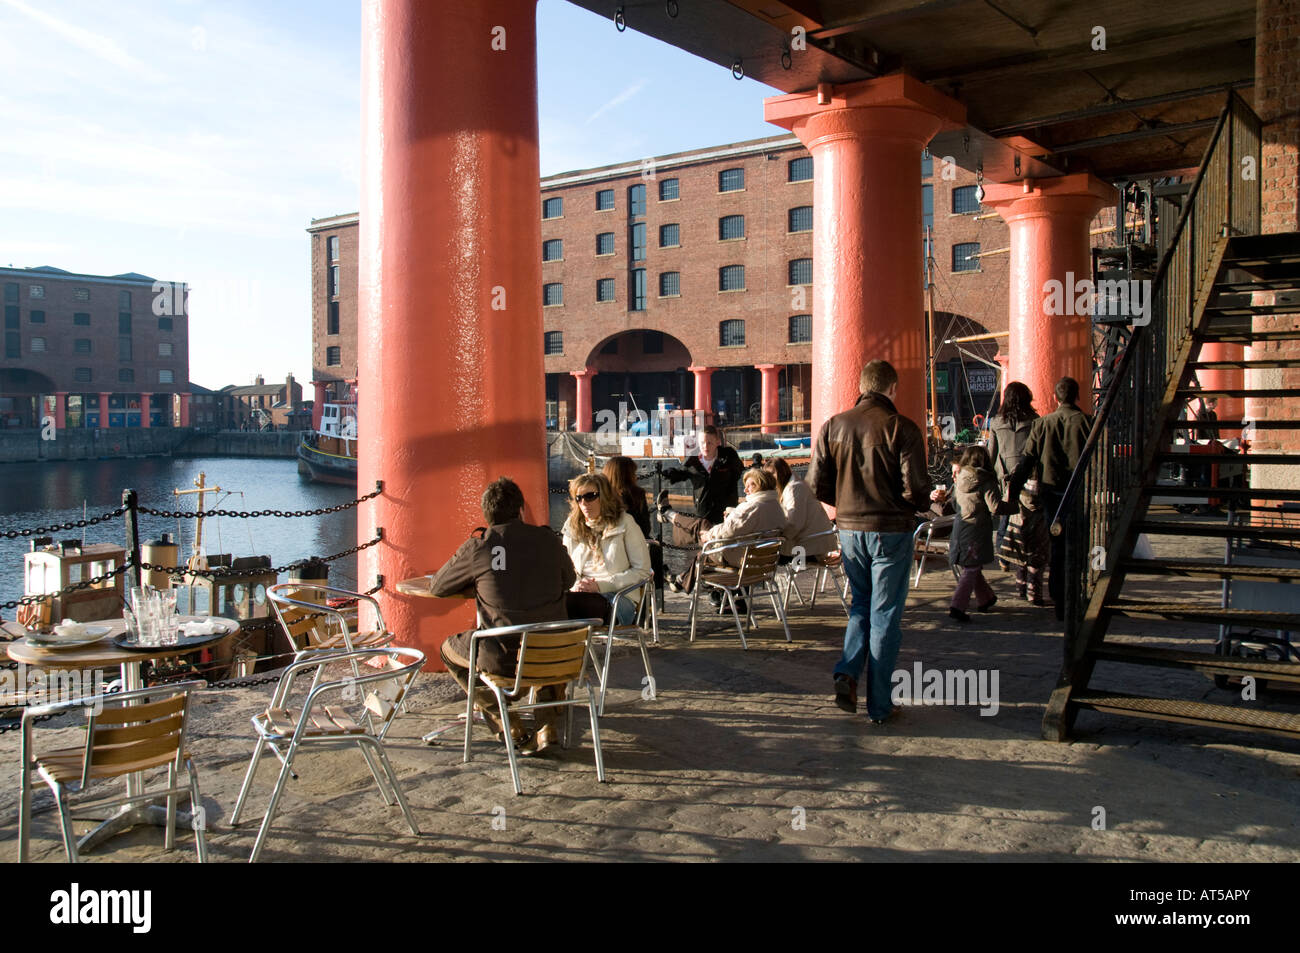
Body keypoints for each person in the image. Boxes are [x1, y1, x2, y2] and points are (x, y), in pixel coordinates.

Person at [808, 359, 932, 725]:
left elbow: (816, 484)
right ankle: (880, 705)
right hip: (891, 531)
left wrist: (846, 504)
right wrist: (918, 504)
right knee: (885, 616)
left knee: (861, 605)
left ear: (862, 387)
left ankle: (847, 672)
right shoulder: (902, 428)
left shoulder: (833, 425)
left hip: (848, 531)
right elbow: (916, 489)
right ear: (892, 388)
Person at [432, 477, 575, 753]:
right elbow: (569, 580)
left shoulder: (479, 547)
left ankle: (507, 722)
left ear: (486, 516)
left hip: (503, 660)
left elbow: (438, 586)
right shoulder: (548, 539)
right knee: (545, 639)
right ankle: (546, 726)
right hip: (558, 655)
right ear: (521, 510)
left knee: (448, 650)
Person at [1008, 376, 1093, 621]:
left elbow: (1027, 461)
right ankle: (1078, 594)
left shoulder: (1042, 424)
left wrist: (1013, 492)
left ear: (1056, 397)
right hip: (1079, 494)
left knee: (1057, 548)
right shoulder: (1089, 423)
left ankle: (1059, 599)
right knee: (1081, 546)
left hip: (1052, 496)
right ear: (1077, 396)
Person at [659, 466, 785, 594]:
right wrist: (733, 514)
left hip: (742, 561)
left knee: (701, 526)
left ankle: (667, 514)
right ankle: (681, 581)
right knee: (702, 554)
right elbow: (747, 525)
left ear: (762, 485)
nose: (746, 489)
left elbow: (729, 530)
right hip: (763, 564)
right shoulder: (776, 507)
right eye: (746, 485)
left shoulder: (753, 507)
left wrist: (709, 535)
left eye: (751, 485)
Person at [562, 473, 652, 626]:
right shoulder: (573, 526)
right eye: (579, 498)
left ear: (603, 497)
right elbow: (567, 568)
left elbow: (642, 571)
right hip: (580, 595)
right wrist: (577, 584)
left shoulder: (625, 522)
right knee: (552, 604)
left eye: (590, 496)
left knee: (576, 606)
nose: (584, 503)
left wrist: (600, 586)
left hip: (618, 597)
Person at [938, 445, 1015, 622]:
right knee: (972, 568)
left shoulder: (960, 479)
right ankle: (957, 605)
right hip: (976, 528)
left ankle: (986, 598)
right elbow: (995, 507)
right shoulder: (985, 480)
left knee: (971, 566)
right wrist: (1014, 506)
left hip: (960, 526)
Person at [986, 382, 1039, 561]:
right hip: (1027, 473)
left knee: (1006, 514)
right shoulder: (1034, 420)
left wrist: (989, 475)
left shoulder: (996, 422)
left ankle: (1003, 553)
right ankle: (1027, 551)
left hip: (1004, 474)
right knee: (1027, 514)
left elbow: (991, 453)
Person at [661, 424, 744, 524]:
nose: (705, 446)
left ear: (717, 442)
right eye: (702, 443)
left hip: (726, 511)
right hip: (703, 512)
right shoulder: (692, 460)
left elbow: (738, 472)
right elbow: (682, 473)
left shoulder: (728, 456)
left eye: (709, 443)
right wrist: (670, 473)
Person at [763, 457, 835, 562]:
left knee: (763, 558)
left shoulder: (794, 489)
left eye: (771, 475)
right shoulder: (796, 486)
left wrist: (777, 539)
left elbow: (795, 523)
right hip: (813, 544)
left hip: (806, 549)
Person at [602, 456, 651, 537]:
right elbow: (645, 528)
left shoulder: (601, 495)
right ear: (628, 476)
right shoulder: (637, 495)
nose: (635, 476)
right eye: (633, 473)